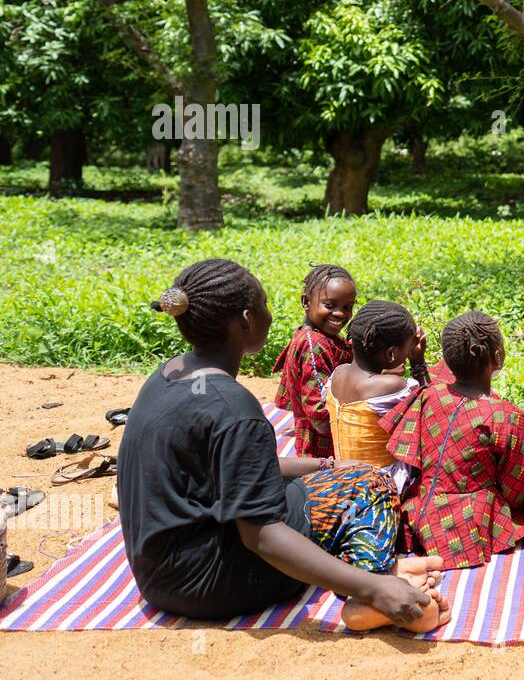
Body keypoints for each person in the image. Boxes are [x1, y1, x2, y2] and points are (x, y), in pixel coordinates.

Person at [118, 259, 446, 633]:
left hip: (160, 574)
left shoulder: (169, 374)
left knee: (346, 475)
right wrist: (373, 589)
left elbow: (238, 470)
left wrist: (326, 467)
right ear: (245, 319)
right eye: (264, 305)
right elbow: (262, 536)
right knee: (371, 484)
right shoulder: (234, 407)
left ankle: (377, 569)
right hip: (209, 584)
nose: (270, 315)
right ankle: (373, 586)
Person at [380, 311, 524, 568]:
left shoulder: (430, 395)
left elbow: (405, 446)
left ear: (447, 361)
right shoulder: (505, 416)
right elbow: (517, 492)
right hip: (470, 526)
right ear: (498, 357)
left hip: (417, 515)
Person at [324, 300, 448, 496]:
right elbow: (431, 411)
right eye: (407, 348)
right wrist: (418, 361)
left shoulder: (337, 374)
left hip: (341, 479)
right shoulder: (392, 386)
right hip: (379, 486)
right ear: (391, 354)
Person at [273, 264, 356, 458]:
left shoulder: (309, 335)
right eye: (330, 305)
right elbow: (321, 419)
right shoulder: (315, 344)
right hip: (321, 450)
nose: (340, 314)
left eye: (347, 307)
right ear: (306, 302)